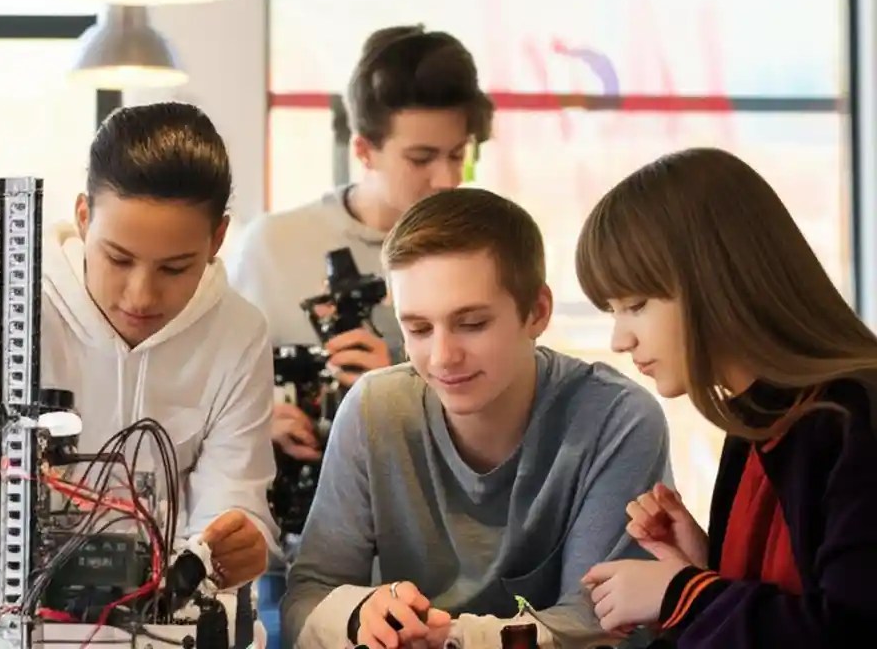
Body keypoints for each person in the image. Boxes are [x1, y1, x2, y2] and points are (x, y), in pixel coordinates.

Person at [0, 101, 278, 593]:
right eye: (118, 258)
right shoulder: (20, 313)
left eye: (175, 268)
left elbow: (235, 503)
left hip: (160, 614)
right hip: (17, 610)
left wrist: (239, 541)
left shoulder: (238, 334)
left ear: (218, 238)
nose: (140, 295)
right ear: (82, 217)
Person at [282, 188, 671, 649]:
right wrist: (356, 616)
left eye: (472, 324)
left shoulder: (618, 420)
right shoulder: (375, 409)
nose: (443, 357)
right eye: (419, 329)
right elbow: (305, 597)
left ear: (537, 312)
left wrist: (449, 638)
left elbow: (598, 627)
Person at [229, 25, 495, 644]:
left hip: (432, 556)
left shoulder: (481, 250)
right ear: (365, 149)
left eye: (459, 154)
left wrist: (404, 380)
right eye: (422, 158)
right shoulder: (272, 247)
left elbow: (508, 411)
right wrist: (258, 416)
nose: (446, 179)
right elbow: (212, 393)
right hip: (289, 553)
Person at [576, 147, 877, 647]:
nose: (620, 339)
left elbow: (850, 629)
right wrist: (706, 567)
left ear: (714, 280)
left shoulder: (851, 418)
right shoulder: (760, 423)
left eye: (635, 305)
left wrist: (683, 594)